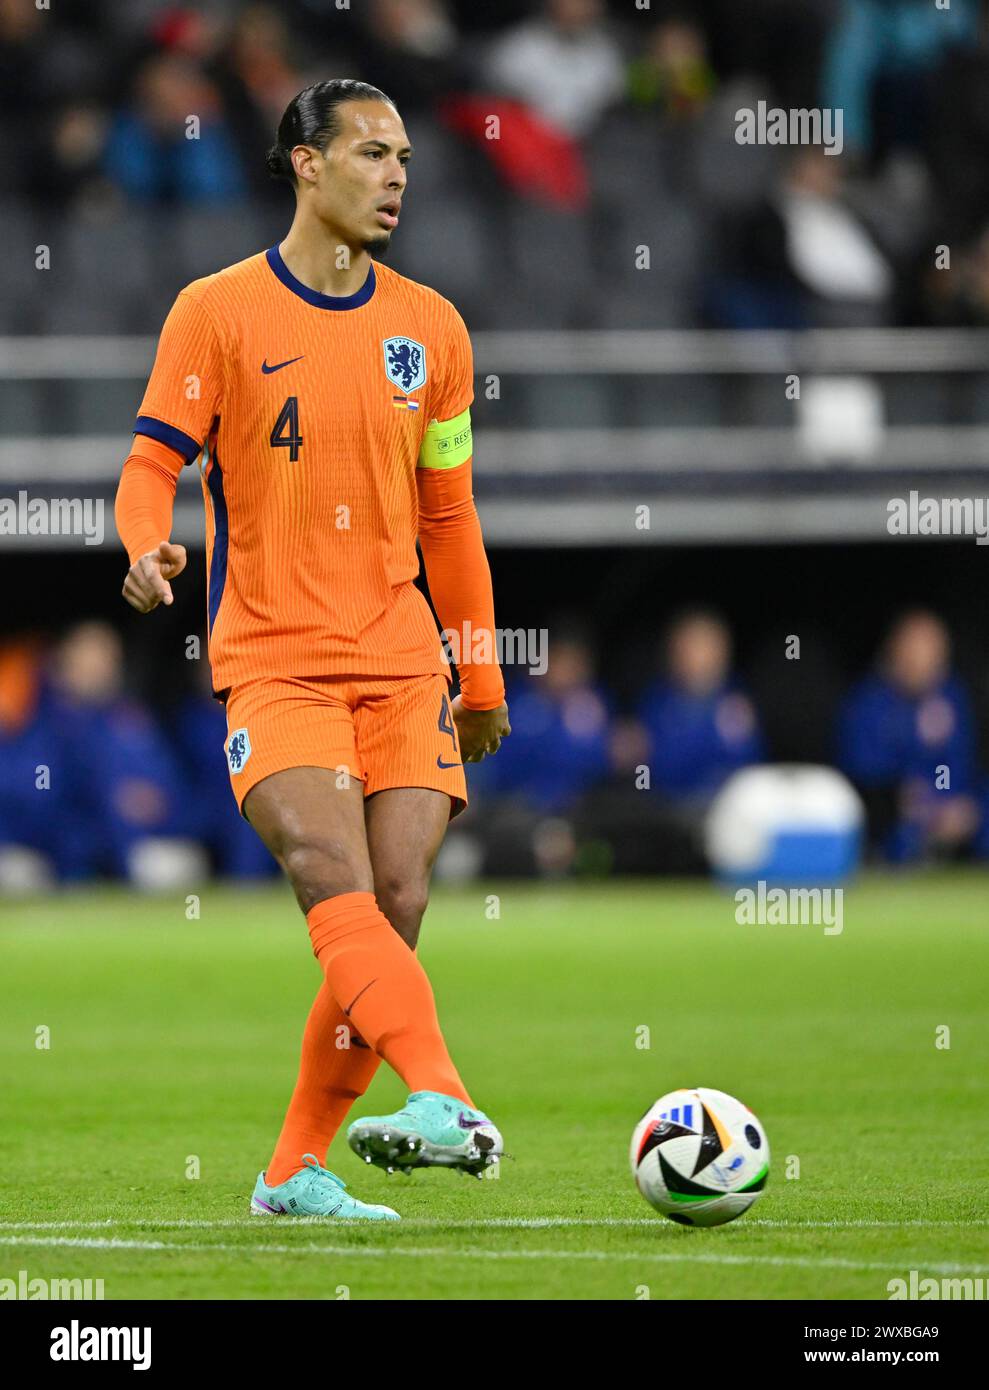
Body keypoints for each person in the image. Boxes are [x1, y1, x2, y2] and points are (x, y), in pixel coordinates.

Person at [115, 79, 511, 1221]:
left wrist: (476, 674)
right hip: (274, 653)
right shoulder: (218, 311)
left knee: (392, 900)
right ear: (305, 162)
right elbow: (153, 463)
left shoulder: (431, 329)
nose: (395, 177)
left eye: (404, 160)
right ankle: (440, 1093)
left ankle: (294, 1168)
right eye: (371, 154)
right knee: (328, 873)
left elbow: (451, 521)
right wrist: (146, 549)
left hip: (400, 661)